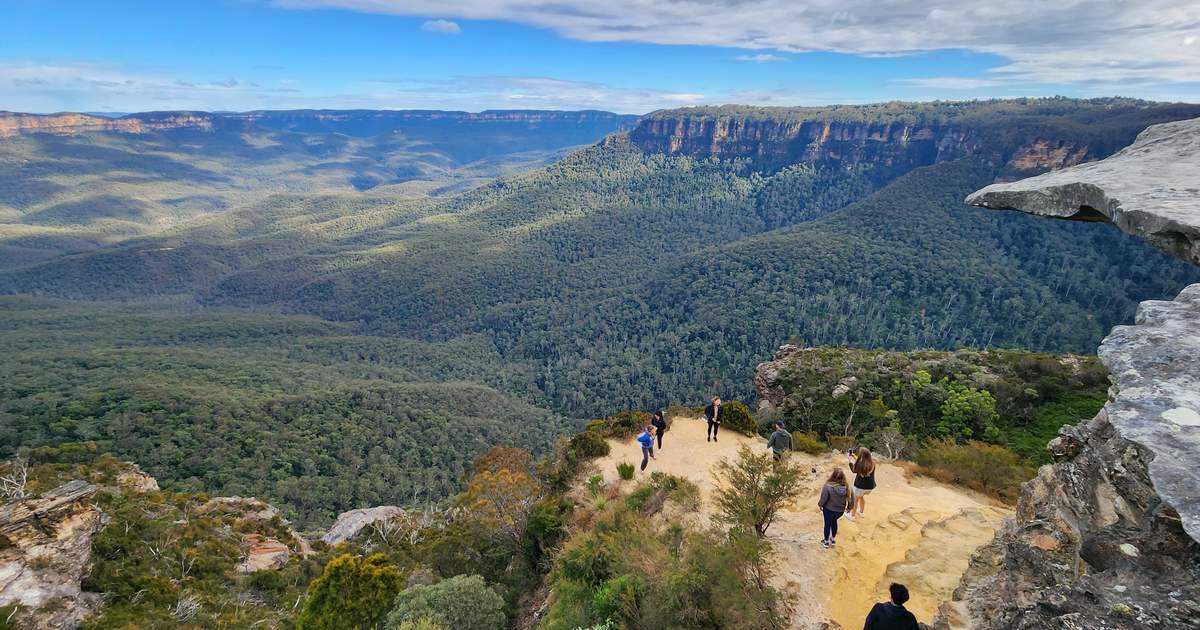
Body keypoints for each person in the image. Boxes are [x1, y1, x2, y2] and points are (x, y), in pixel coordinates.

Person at [818, 468, 851, 548]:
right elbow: (850, 498)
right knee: (834, 522)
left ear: (833, 476)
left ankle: (826, 542)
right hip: (840, 511)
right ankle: (832, 539)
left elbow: (824, 498)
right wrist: (849, 507)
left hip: (829, 509)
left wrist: (820, 505)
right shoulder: (847, 487)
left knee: (827, 524)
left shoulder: (828, 486)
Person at [847, 447, 876, 520]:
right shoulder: (872, 462)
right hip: (870, 487)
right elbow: (863, 462)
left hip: (860, 486)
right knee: (861, 497)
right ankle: (861, 512)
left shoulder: (860, 464)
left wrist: (850, 460)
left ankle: (852, 516)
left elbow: (853, 470)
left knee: (855, 500)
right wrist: (854, 456)